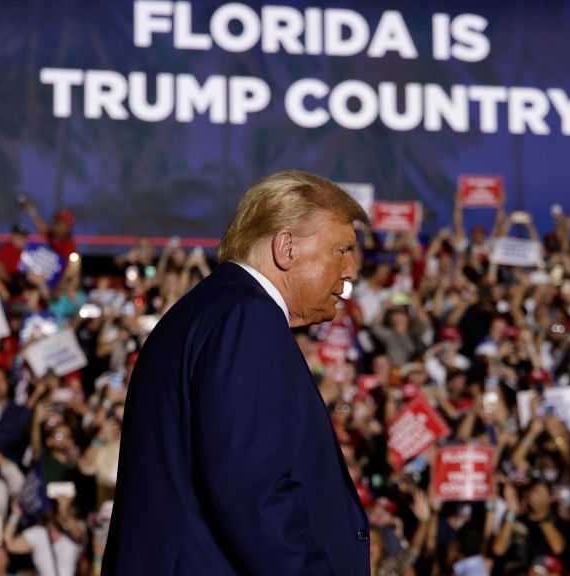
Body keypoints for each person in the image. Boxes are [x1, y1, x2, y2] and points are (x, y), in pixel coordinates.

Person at [103, 170, 371, 574]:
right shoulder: (248, 317)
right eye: (342, 249)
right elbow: (252, 491)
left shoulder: (207, 311)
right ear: (286, 248)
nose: (351, 270)